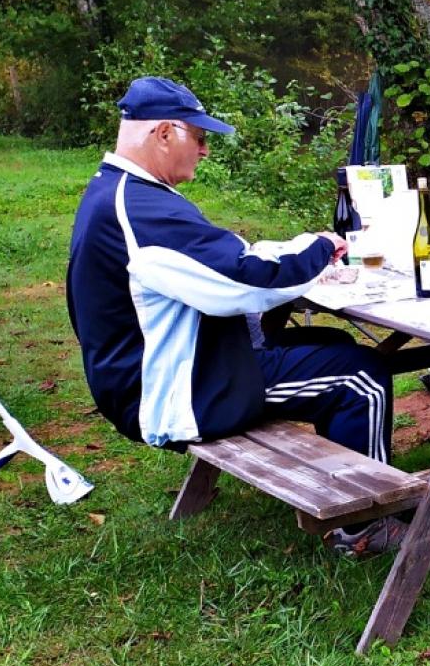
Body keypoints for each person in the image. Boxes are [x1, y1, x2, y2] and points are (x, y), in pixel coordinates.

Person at [66, 76, 393, 555]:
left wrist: (295, 251)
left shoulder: (119, 193)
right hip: (177, 391)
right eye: (197, 138)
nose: (203, 150)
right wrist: (319, 252)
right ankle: (366, 528)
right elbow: (242, 280)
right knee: (362, 376)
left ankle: (338, 485)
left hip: (156, 369)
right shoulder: (141, 209)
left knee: (335, 347)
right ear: (163, 134)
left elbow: (216, 258)